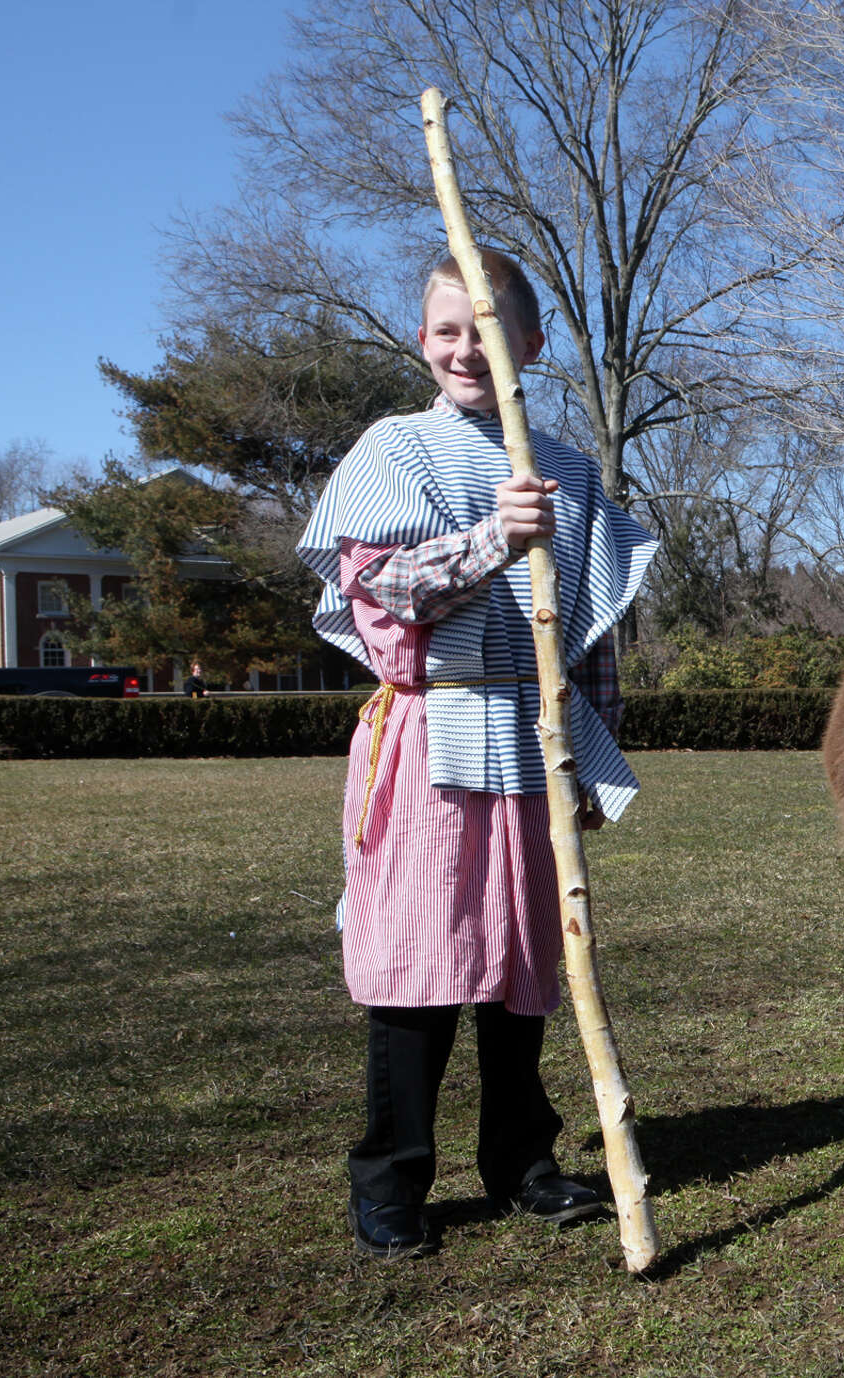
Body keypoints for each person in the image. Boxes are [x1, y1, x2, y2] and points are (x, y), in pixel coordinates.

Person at [297, 247, 655, 1260]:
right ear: (423, 340)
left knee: (526, 957)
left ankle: (521, 1161)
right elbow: (386, 588)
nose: (464, 349)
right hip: (430, 732)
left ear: (529, 345)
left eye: (486, 330)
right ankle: (392, 1177)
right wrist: (495, 536)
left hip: (535, 738)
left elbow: (588, 637)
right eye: (447, 330)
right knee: (419, 960)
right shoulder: (395, 449)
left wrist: (588, 760)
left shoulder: (568, 469)